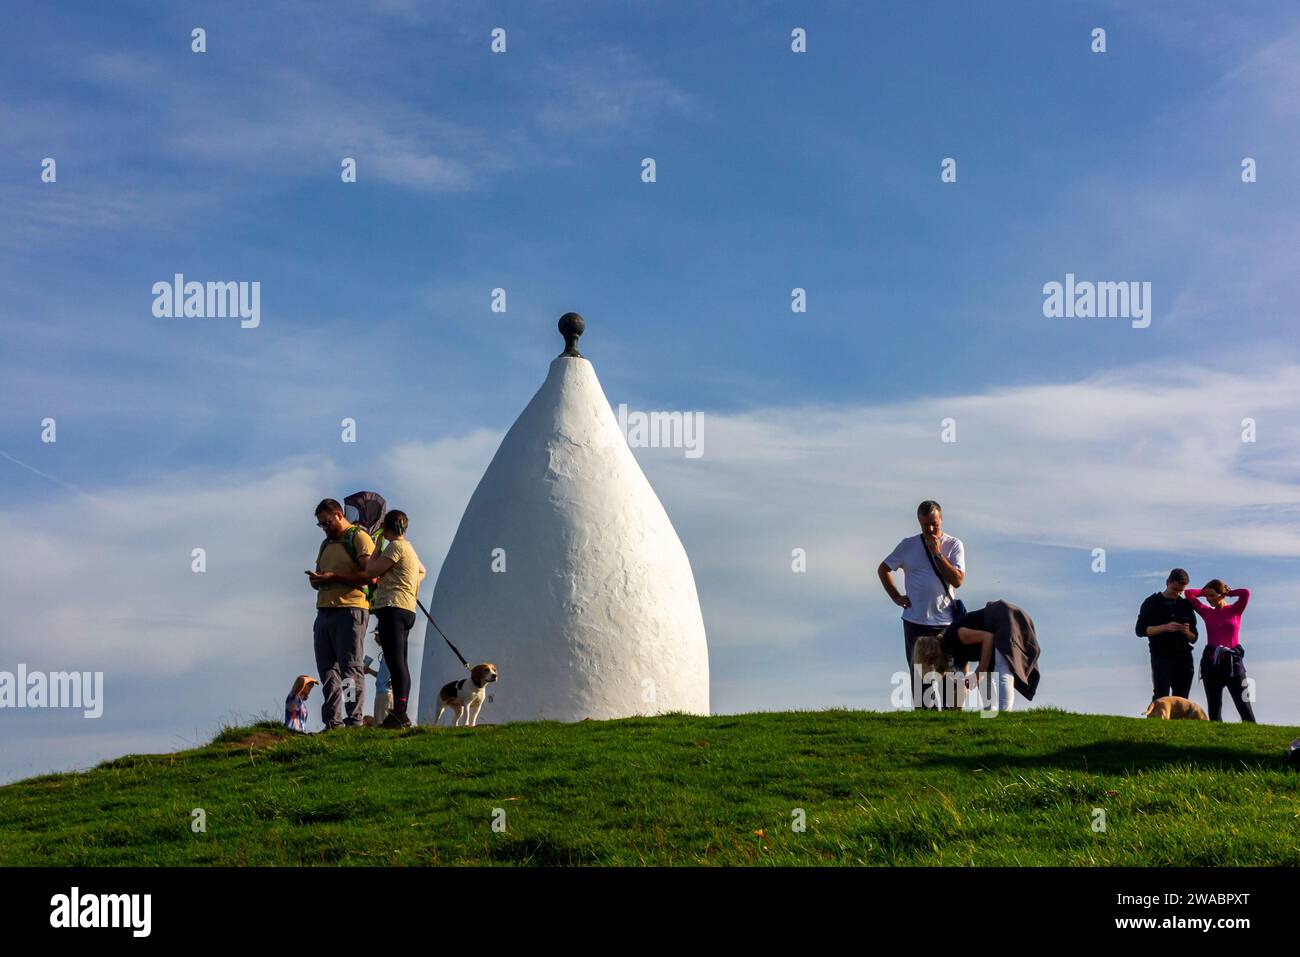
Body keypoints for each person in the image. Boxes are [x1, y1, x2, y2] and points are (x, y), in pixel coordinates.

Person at [878, 500, 966, 708]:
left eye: (934, 523)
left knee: (949, 677)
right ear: (919, 523)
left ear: (941, 520)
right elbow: (883, 569)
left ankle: (951, 720)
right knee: (921, 678)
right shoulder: (908, 545)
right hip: (915, 622)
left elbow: (957, 580)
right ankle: (925, 720)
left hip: (945, 622)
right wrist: (896, 597)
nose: (930, 529)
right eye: (925, 524)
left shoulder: (954, 545)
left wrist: (937, 553)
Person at [306, 498, 376, 729]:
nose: (324, 528)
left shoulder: (359, 538)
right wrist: (318, 580)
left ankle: (353, 719)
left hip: (350, 610)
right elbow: (321, 573)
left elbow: (371, 576)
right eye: (320, 525)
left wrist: (335, 577)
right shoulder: (326, 544)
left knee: (350, 668)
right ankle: (333, 722)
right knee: (327, 670)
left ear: (338, 514)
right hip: (324, 611)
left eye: (326, 523)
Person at [357, 509, 426, 729]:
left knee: (396, 662)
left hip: (392, 607)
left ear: (386, 528)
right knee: (400, 662)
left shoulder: (395, 546)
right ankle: (399, 711)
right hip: (407, 608)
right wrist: (409, 586)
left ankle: (399, 714)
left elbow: (370, 571)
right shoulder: (410, 548)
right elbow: (422, 572)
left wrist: (377, 544)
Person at [1186, 580, 1255, 722]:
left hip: (1234, 664)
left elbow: (1245, 593)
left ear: (1221, 594)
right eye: (1207, 596)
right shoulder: (1206, 612)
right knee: (1215, 708)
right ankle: (1215, 738)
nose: (1209, 599)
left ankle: (1254, 739)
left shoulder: (1235, 610)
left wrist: (1229, 593)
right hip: (1212, 664)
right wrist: (1203, 591)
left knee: (1245, 707)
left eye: (1212, 595)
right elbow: (1188, 594)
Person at [1134, 568, 1199, 702]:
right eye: (1175, 589)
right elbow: (1140, 630)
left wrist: (1186, 632)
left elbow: (1194, 638)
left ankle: (1178, 723)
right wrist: (1165, 627)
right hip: (1161, 656)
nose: (1177, 593)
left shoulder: (1185, 605)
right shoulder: (1152, 602)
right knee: (1161, 695)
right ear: (1167, 582)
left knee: (1181, 699)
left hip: (1184, 657)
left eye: (1180, 591)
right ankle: (1155, 722)